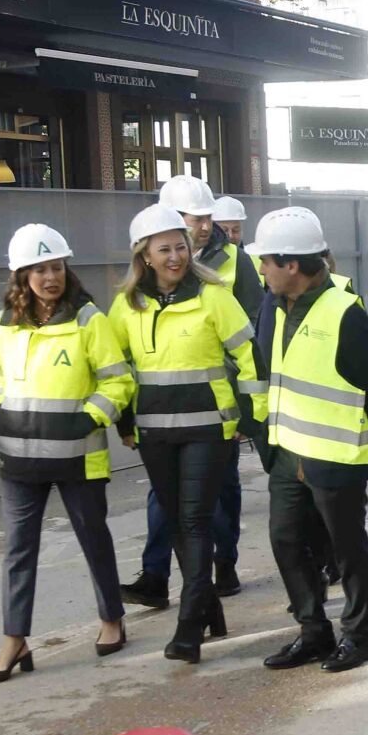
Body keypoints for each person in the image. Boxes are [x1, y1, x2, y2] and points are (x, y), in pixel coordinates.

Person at [0, 225, 135, 683]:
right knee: (17, 550)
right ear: (21, 275)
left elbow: (117, 381)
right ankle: (14, 639)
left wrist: (89, 418)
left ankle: (111, 618)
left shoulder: (89, 320)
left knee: (93, 538)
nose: (51, 277)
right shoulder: (3, 322)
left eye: (57, 267)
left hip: (78, 457)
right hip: (18, 459)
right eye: (40, 269)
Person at [110, 204, 266, 663]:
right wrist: (123, 420)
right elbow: (114, 366)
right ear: (145, 256)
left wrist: (248, 417)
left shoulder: (214, 295)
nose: (176, 256)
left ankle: (189, 624)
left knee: (195, 521)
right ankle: (210, 608)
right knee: (178, 521)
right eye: (165, 250)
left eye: (180, 247)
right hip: (155, 431)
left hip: (209, 429)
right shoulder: (126, 305)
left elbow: (249, 356)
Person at [248, 207, 368, 673]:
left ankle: (358, 636)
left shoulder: (344, 312)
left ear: (292, 264)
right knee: (286, 541)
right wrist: (266, 443)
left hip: (336, 458)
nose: (261, 269)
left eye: (267, 261)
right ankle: (313, 632)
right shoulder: (271, 306)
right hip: (287, 452)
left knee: (346, 549)